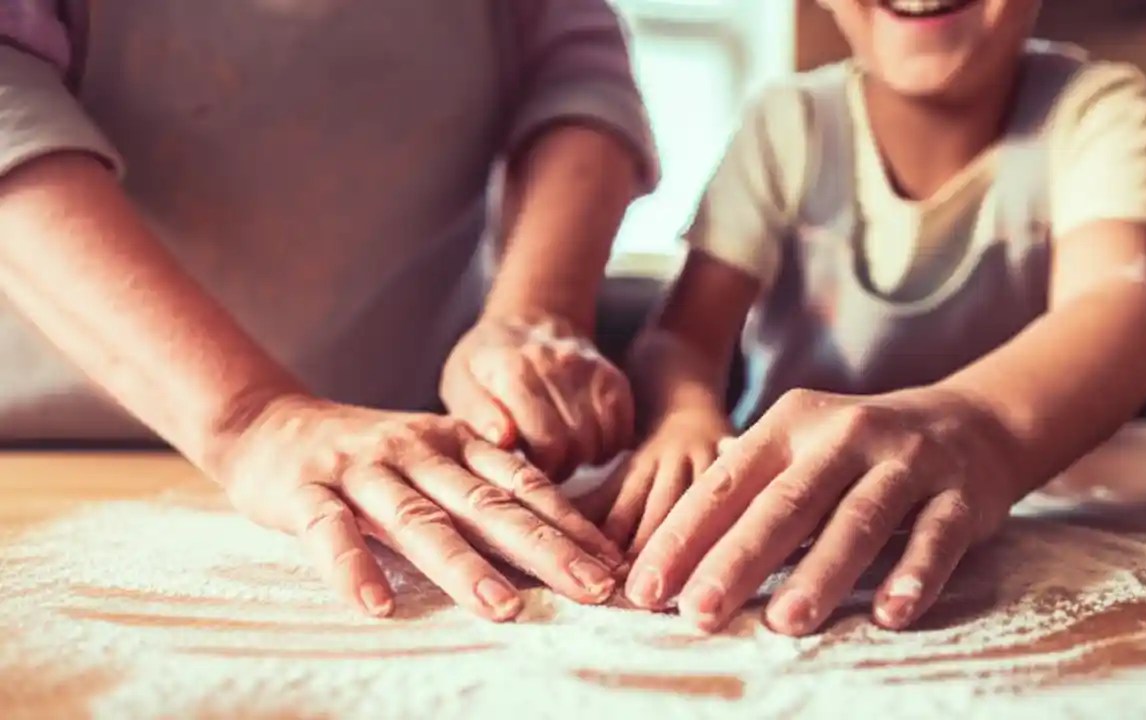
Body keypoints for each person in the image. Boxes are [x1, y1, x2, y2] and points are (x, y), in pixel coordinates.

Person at [0, 0, 657, 621]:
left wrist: (535, 313)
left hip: (388, 455)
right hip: (39, 463)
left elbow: (578, 81)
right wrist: (250, 416)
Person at [601, 0, 1146, 636]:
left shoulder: (1095, 111)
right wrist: (683, 414)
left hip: (1019, 521)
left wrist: (976, 432)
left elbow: (1117, 310)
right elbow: (682, 336)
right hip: (779, 520)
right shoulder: (792, 124)